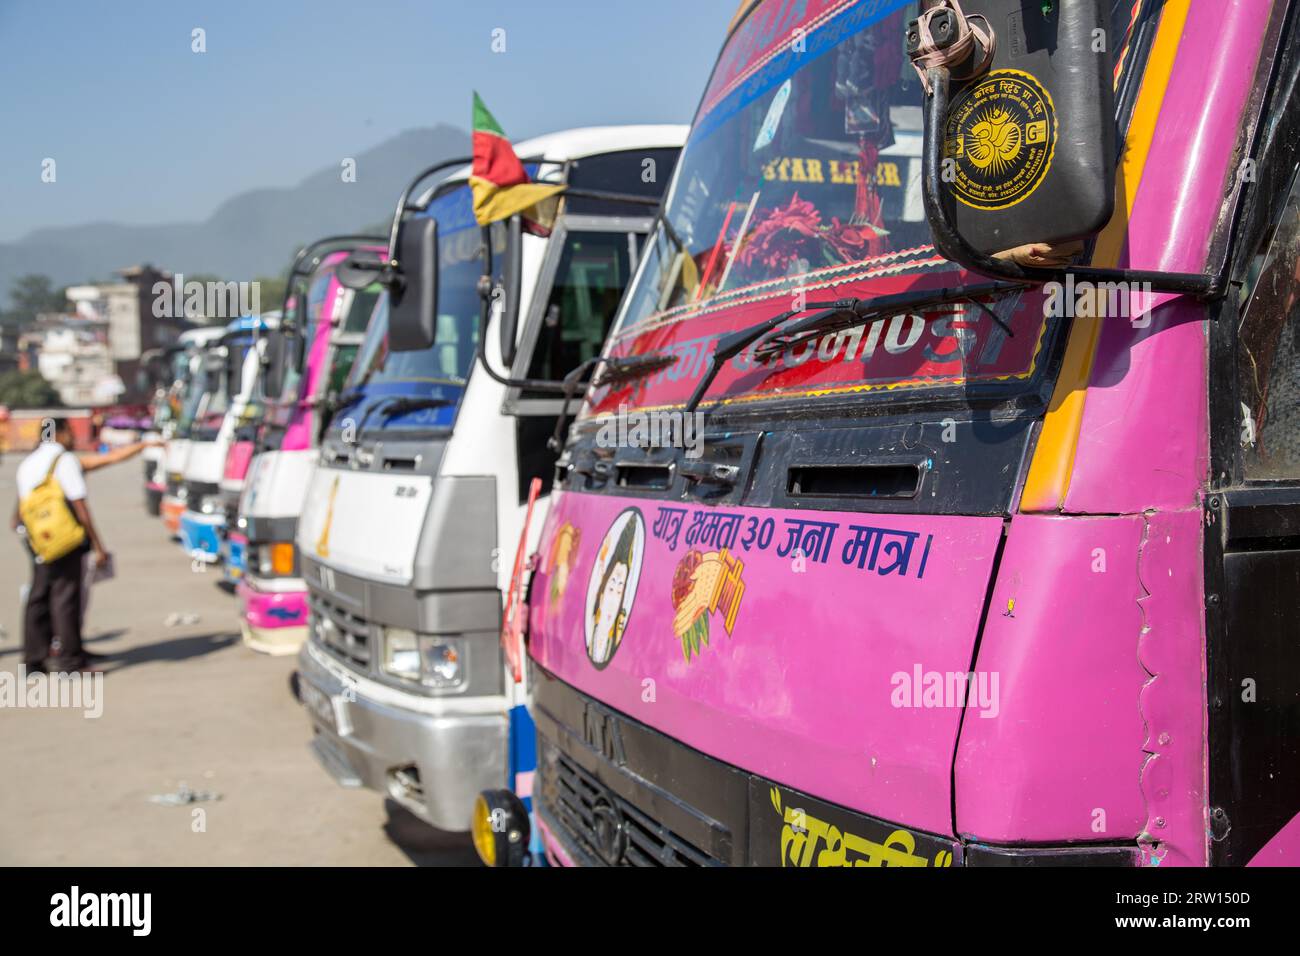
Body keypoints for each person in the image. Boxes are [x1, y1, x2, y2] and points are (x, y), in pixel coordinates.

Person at [10, 417, 155, 674]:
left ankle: (34, 659)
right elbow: (80, 507)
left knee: (39, 595)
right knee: (66, 597)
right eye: (69, 432)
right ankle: (70, 661)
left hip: (37, 538)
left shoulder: (29, 462)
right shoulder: (63, 461)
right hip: (65, 538)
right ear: (61, 432)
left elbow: (18, 511)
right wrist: (98, 545)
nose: (73, 438)